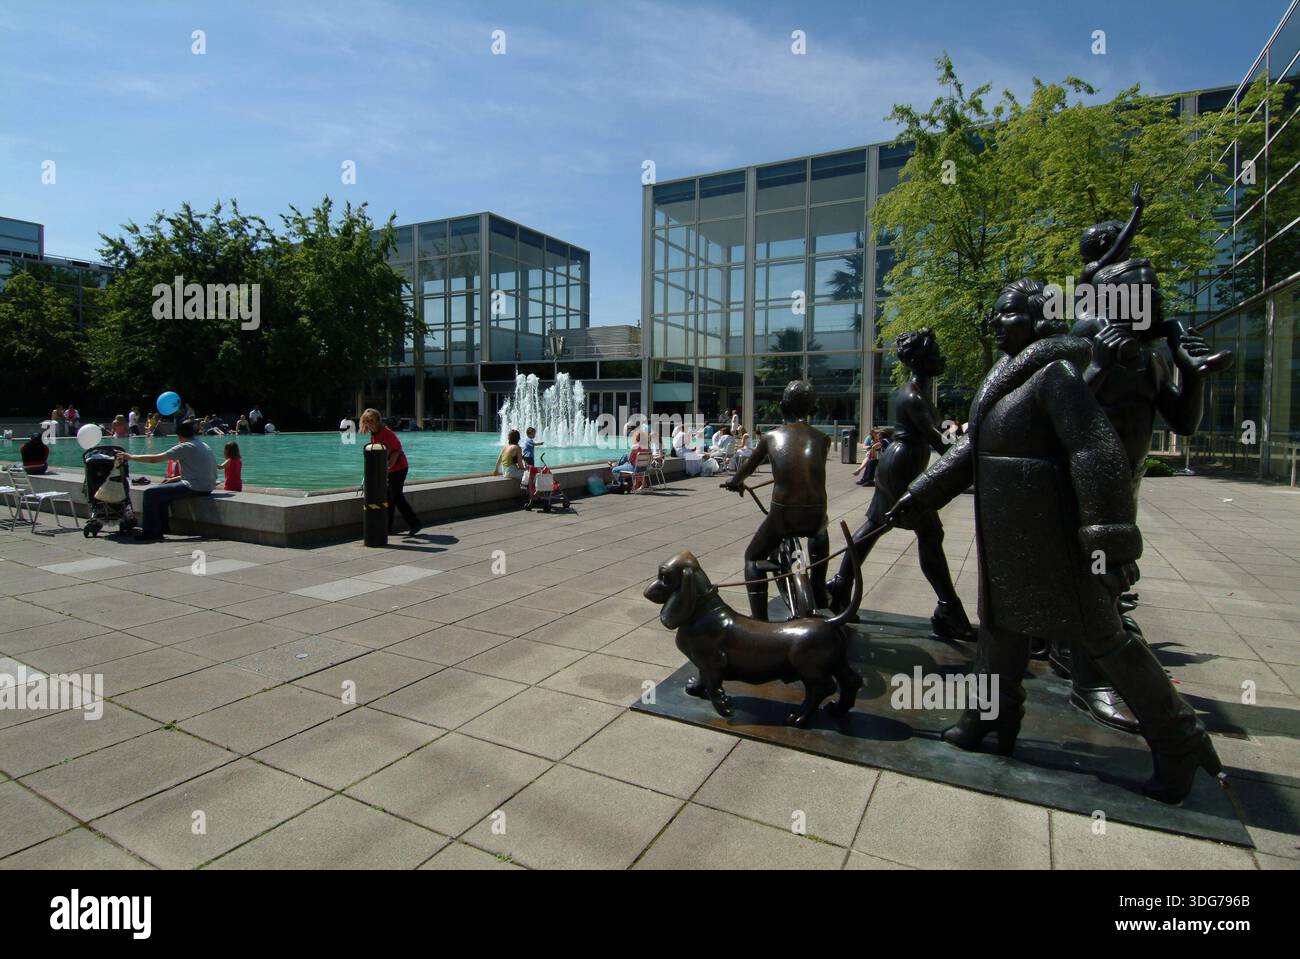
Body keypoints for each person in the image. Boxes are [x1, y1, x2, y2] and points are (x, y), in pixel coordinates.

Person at [888, 279, 1221, 805]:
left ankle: (1179, 739)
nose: (997, 323)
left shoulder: (1056, 374)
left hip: (1054, 539)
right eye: (996, 315)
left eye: (1009, 314)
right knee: (1000, 632)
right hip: (1009, 538)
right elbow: (976, 445)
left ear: (1042, 319)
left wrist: (1110, 541)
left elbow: (1095, 450)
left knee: (1103, 638)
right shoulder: (1011, 374)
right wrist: (923, 492)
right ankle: (988, 720)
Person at [1055, 183, 1235, 733]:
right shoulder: (1087, 338)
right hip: (1084, 480)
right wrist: (1099, 368)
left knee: (1107, 574)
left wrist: (1195, 377)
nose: (1153, 301)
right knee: (1093, 573)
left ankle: (1079, 649)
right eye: (1141, 292)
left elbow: (1183, 423)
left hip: (1124, 478)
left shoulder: (1155, 355)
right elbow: (1059, 410)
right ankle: (1089, 674)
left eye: (1152, 291)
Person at [825, 328, 974, 641]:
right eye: (936, 353)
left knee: (876, 526)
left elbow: (942, 434)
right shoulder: (912, 396)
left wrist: (961, 437)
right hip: (902, 467)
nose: (942, 357)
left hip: (903, 463)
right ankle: (948, 609)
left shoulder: (919, 393)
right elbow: (940, 440)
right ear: (921, 361)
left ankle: (841, 582)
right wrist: (967, 446)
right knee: (930, 533)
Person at [722, 380, 830, 620]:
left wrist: (734, 482)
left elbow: (747, 469)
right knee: (821, 531)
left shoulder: (770, 438)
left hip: (784, 513)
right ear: (813, 409)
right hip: (815, 511)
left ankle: (759, 619)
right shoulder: (823, 439)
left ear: (782, 406)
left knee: (752, 557)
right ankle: (819, 586)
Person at [116, 419, 216, 540]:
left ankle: (151, 533)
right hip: (208, 485)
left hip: (195, 486)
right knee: (162, 494)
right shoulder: (203, 444)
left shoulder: (186, 446)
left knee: (150, 494)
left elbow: (155, 459)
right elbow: (198, 471)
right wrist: (175, 479)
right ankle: (162, 528)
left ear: (179, 435)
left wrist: (130, 457)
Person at [359, 408, 420, 537]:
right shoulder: (374, 433)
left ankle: (415, 524)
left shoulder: (386, 433)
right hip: (390, 469)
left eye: (371, 421)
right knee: (388, 499)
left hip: (399, 468)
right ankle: (387, 527)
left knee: (396, 496)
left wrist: (388, 468)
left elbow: (397, 450)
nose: (369, 424)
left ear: (377, 420)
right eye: (366, 421)